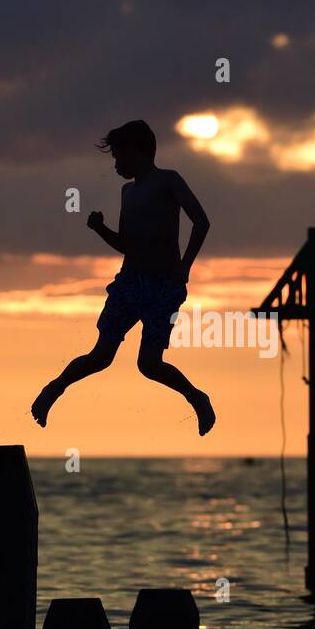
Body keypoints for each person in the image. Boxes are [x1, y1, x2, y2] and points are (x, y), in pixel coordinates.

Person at [31, 120, 215, 435]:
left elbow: (202, 222)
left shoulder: (168, 181)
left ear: (138, 152)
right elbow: (126, 245)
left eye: (119, 156)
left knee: (150, 365)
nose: (116, 164)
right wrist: (100, 229)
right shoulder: (127, 191)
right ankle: (54, 388)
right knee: (101, 355)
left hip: (163, 285)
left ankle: (197, 398)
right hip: (129, 282)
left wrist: (185, 267)